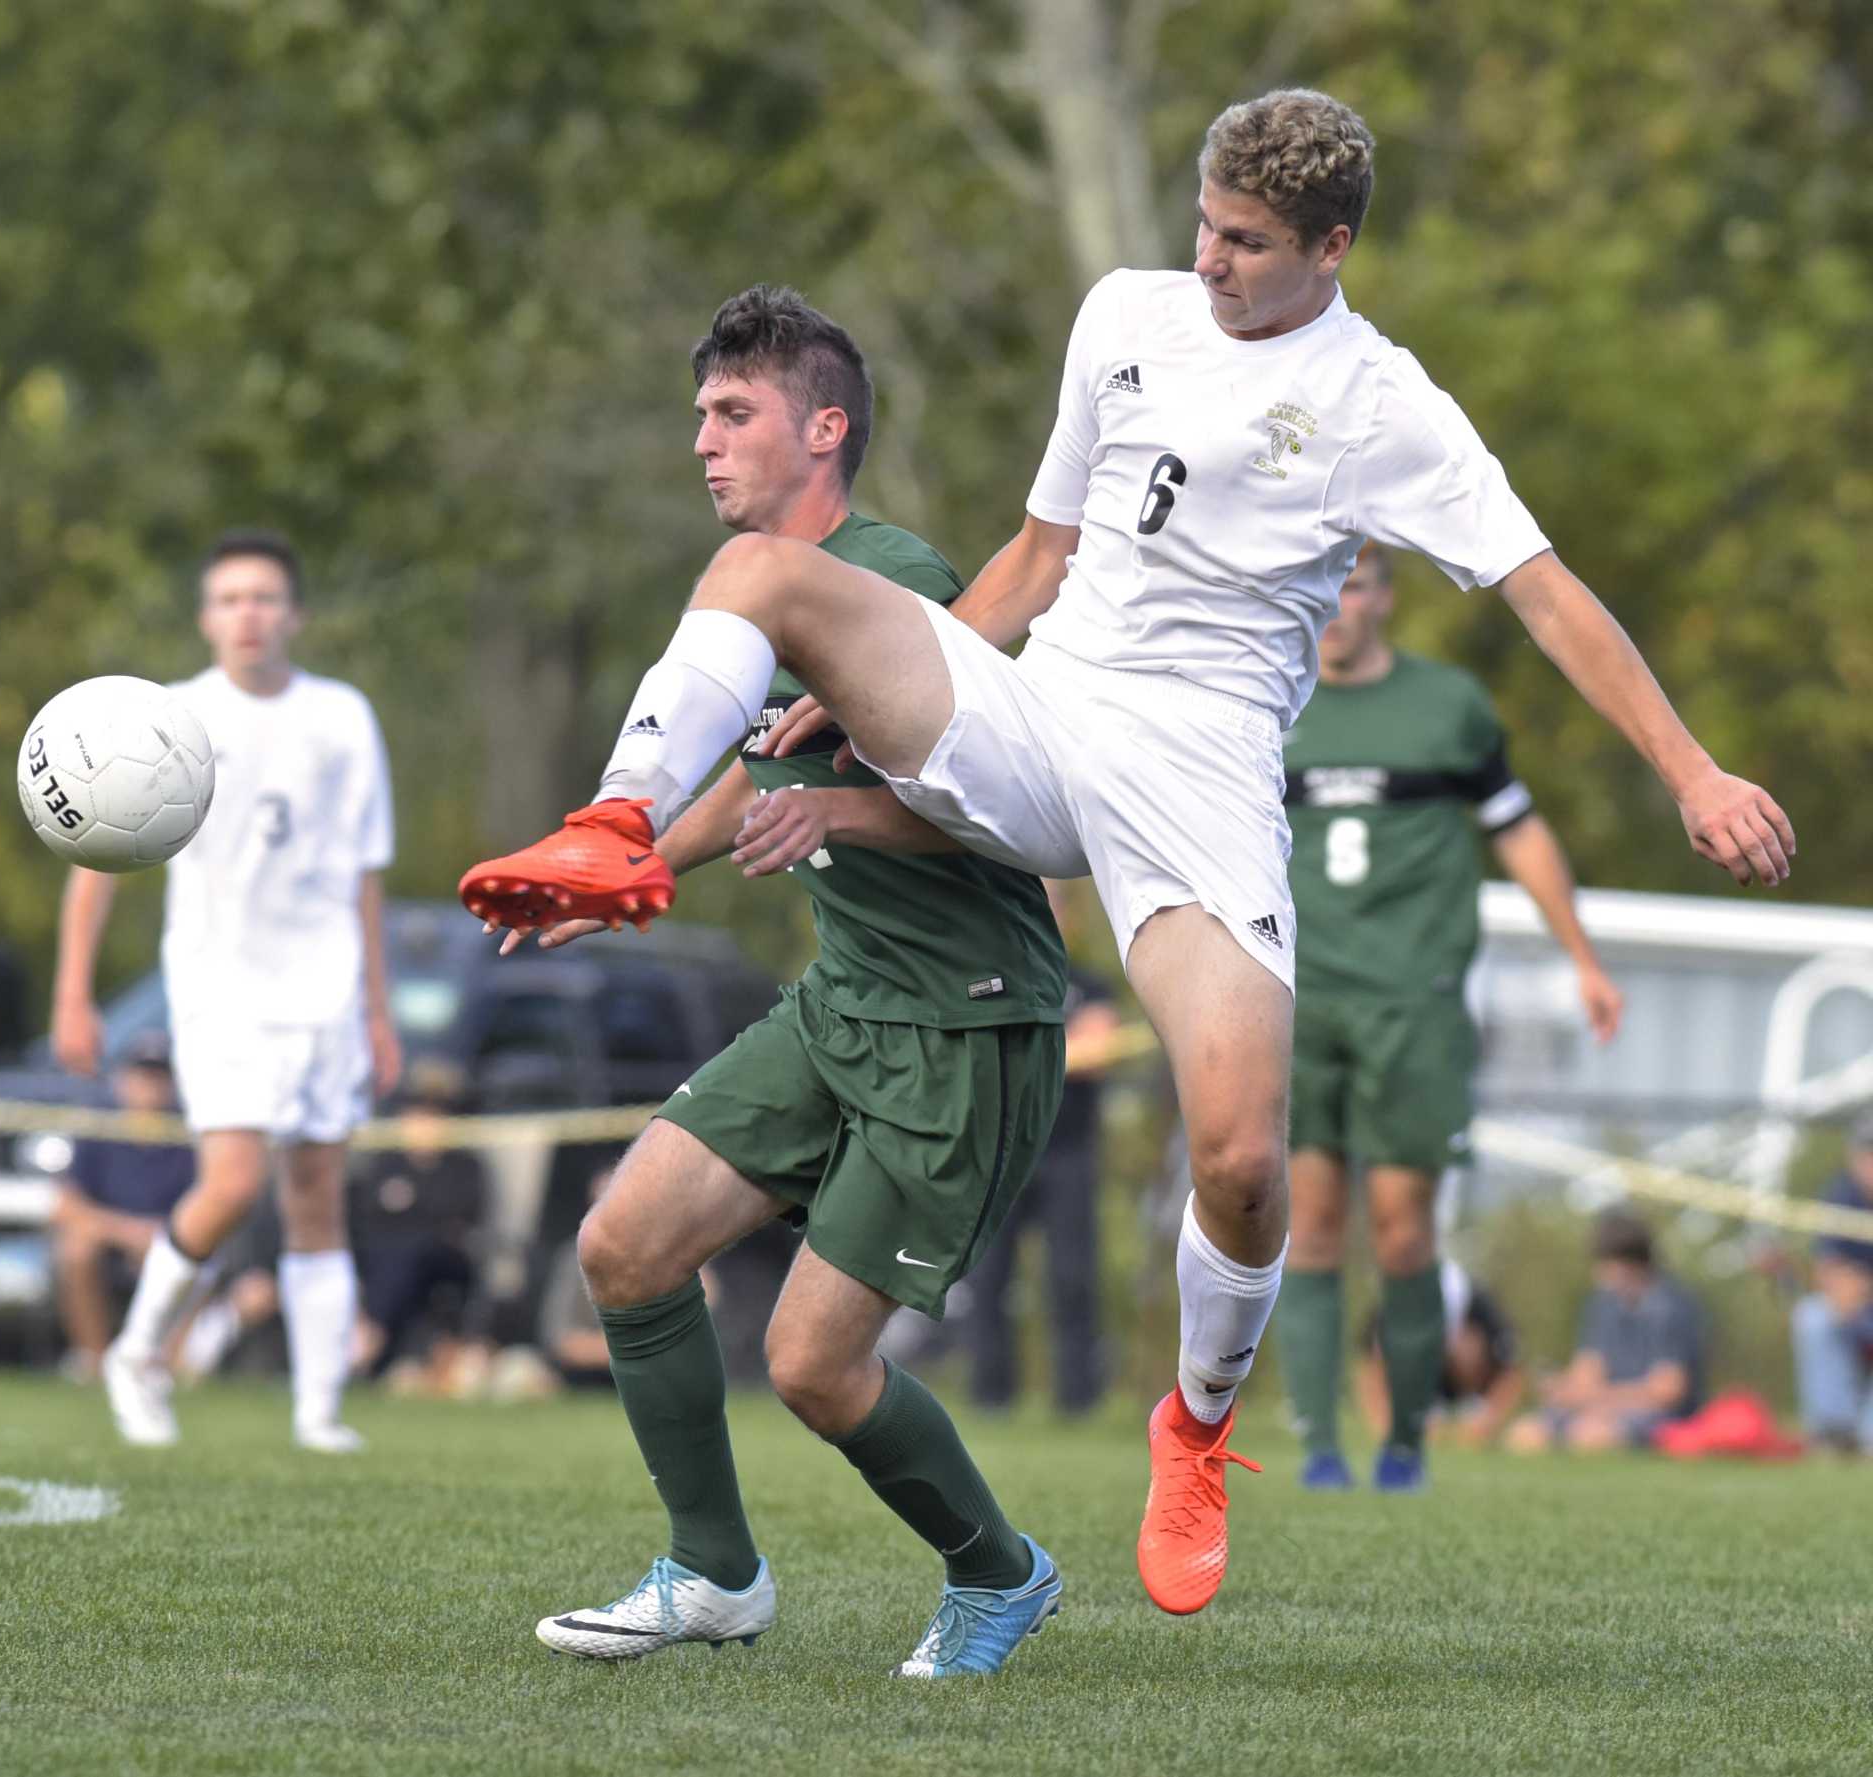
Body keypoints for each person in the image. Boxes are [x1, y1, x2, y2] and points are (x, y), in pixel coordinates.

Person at [460, 90, 1793, 1615]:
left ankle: (1201, 1424)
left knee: (1237, 1152)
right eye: (1206, 226)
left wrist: (1690, 768)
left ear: (1332, 247)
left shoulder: (1385, 405)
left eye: (1248, 243)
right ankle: (614, 818)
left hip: (1206, 775)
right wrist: (884, 685)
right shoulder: (1127, 314)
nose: (1212, 262)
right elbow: (1040, 556)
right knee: (768, 570)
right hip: (1043, 714)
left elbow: (1549, 593)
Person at [483, 286, 1069, 1678]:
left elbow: (1021, 806)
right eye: (699, 415)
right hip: (844, 1001)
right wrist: (624, 877)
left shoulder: (900, 585)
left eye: (732, 414)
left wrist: (844, 816)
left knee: (812, 1365)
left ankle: (1001, 1572)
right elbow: (758, 767)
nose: (703, 442)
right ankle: (712, 1575)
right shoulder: (754, 609)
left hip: (965, 1017)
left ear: (824, 427)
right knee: (623, 1243)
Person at [1276, 542, 1625, 1492]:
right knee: (1306, 1227)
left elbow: (1518, 828)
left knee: (1401, 1230)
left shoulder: (1448, 707)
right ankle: (1317, 1447)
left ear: (1384, 597)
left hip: (1414, 1007)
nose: (1339, 605)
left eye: (1356, 584)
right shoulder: (1267, 700)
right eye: (1327, 585)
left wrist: (1583, 958)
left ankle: (1404, 1446)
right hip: (1300, 1002)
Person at [52, 528, 402, 1451]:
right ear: (207, 617)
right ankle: (137, 1352)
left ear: (295, 614)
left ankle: (319, 1410)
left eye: (264, 597)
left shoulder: (342, 716)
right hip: (221, 987)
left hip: (324, 987)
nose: (248, 613)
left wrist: (376, 1008)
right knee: (235, 1183)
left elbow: (364, 870)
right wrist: (72, 994)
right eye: (230, 598)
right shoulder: (167, 717)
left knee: (318, 1190)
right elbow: (96, 859)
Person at [967, 879, 1123, 1415]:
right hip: (1003, 1149)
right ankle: (991, 1396)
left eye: (1052, 905)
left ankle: (1078, 1402)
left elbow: (1096, 1051)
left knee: (1072, 1279)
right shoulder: (990, 981)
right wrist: (1065, 1047)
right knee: (988, 1279)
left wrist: (1030, 1048)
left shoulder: (1092, 986)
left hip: (1069, 1154)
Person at [48, 1033, 195, 1382]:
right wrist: (126, 1231)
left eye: (159, 1076)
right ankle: (95, 1362)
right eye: (142, 1075)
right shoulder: (100, 1128)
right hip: (114, 1240)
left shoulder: (186, 1135)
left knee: (182, 1254)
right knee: (76, 1248)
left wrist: (157, 1236)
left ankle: (158, 1361)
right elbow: (64, 1207)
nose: (149, 1086)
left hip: (165, 1242)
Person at [1505, 1210, 1705, 1453]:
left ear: (1630, 1264)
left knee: (1589, 1437)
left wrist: (1599, 1399)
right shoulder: (1603, 1303)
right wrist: (1565, 1389)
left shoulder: (1672, 1306)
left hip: (1658, 1417)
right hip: (1599, 1408)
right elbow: (1588, 1369)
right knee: (1526, 1434)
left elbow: (1667, 1391)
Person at [346, 1060, 488, 1382]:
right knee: (390, 1257)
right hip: (379, 1264)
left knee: (409, 1251)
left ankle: (369, 1339)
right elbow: (363, 1220)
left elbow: (462, 1222)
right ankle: (365, 1340)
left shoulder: (464, 1168)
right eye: (417, 1110)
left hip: (442, 1261)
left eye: (435, 1112)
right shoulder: (383, 1164)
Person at [1353, 1258, 1524, 1450]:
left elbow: (1512, 1372)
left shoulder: (1481, 1307)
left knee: (1468, 1350)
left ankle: (1467, 1409)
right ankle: (1417, 1409)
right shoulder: (1394, 1303)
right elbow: (1369, 1368)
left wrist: (1485, 1423)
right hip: (1414, 1388)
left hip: (1471, 1397)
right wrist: (1385, 1426)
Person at [1791, 1110, 1873, 1454]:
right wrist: (1848, 1289)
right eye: (1867, 1153)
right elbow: (1828, 1270)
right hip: (1857, 1314)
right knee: (1814, 1315)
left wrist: (1861, 1286)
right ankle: (1834, 1432)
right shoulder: (1840, 1194)